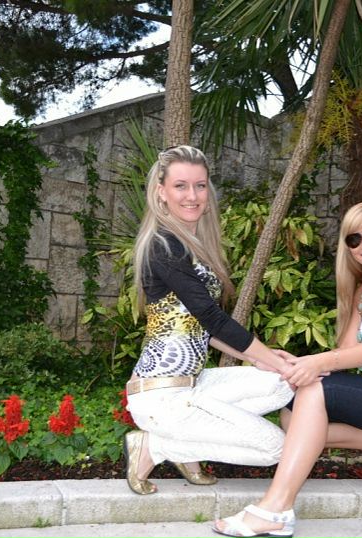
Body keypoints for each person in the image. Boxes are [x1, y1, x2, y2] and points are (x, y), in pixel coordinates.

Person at [213, 201, 362, 537]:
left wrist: (317, 365)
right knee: (293, 413)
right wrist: (294, 364)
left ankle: (276, 508)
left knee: (314, 391)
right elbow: (346, 353)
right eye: (355, 239)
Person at [123, 145, 295, 496]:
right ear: (161, 192)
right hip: (161, 396)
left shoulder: (191, 243)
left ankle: (185, 444)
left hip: (192, 383)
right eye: (181, 186)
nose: (193, 195)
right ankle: (156, 446)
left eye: (200, 186)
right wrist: (272, 358)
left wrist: (261, 360)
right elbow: (212, 318)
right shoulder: (163, 245)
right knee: (275, 448)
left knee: (282, 383)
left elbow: (200, 327)